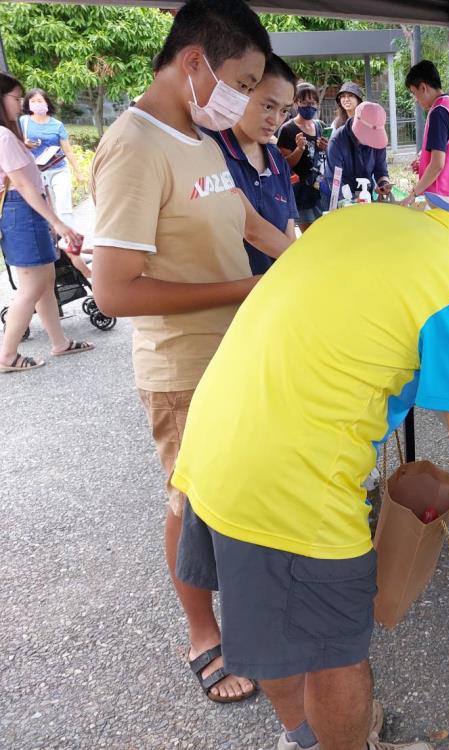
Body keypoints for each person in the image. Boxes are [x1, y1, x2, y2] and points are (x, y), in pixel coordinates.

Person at [170, 182, 449, 750]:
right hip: (294, 481)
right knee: (335, 656)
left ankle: (303, 740)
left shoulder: (365, 220)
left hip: (214, 444)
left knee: (277, 633)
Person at [90, 0, 291, 706]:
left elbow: (241, 216)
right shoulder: (135, 146)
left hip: (232, 354)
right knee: (191, 501)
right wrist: (246, 289)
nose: (242, 97)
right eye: (241, 79)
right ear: (194, 62)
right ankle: (203, 635)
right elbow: (113, 290)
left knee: (234, 493)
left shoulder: (197, 133)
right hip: (181, 369)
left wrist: (299, 256)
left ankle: (250, 612)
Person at [0, 72, 93, 373]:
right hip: (22, 211)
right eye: (16, 98)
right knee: (32, 286)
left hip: (26, 211)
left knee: (45, 280)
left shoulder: (9, 134)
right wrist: (58, 222)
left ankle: (59, 342)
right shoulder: (3, 136)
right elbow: (25, 187)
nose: (21, 105)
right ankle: (7, 355)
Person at [205, 54, 298, 274]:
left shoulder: (276, 161)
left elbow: (288, 231)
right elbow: (252, 229)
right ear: (242, 94)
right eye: (268, 106)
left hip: (272, 295)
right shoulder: (209, 149)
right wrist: (305, 263)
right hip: (226, 298)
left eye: (284, 110)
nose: (275, 120)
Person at [20, 88, 90, 278]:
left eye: (40, 101)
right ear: (27, 104)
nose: (37, 104)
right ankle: (57, 250)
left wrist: (79, 172)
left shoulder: (57, 125)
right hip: (36, 173)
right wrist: (25, 144)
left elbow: (67, 151)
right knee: (46, 213)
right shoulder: (23, 122)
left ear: (47, 103)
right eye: (33, 101)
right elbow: (15, 145)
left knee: (65, 209)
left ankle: (73, 248)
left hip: (58, 169)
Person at [401, 60, 449, 205]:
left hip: (443, 199)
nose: (416, 100)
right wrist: (423, 164)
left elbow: (437, 164)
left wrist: (413, 194)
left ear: (423, 87)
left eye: (415, 93)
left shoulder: (438, 113)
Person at [277, 82, 328, 231]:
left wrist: (326, 146)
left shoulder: (321, 126)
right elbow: (285, 165)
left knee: (324, 231)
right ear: (295, 103)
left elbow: (328, 156)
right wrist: (299, 149)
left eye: (312, 103)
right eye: (304, 102)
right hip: (302, 193)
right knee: (310, 235)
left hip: (321, 189)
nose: (309, 106)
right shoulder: (288, 129)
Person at [325, 101, 392, 202]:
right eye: (367, 135)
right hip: (341, 199)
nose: (371, 140)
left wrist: (384, 184)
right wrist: (352, 200)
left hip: (366, 195)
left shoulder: (378, 141)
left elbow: (381, 170)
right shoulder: (337, 141)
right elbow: (335, 181)